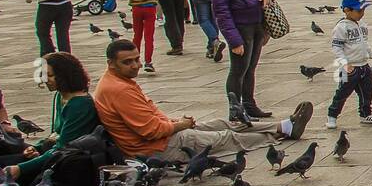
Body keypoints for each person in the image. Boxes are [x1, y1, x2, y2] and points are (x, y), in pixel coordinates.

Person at [94, 38, 313, 162]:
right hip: (158, 147)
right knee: (226, 137)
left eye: (137, 59)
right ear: (111, 63)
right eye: (128, 62)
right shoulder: (118, 90)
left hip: (164, 134)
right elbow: (151, 131)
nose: (135, 66)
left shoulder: (119, 81)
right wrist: (179, 125)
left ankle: (283, 126)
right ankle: (278, 134)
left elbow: (149, 116)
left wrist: (175, 122)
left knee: (224, 123)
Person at [0, 51, 99, 186]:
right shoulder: (61, 96)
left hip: (70, 161)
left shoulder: (80, 104)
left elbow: (63, 147)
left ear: (65, 75)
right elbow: (56, 135)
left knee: (7, 172)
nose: (45, 79)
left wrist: (21, 168)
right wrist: (37, 148)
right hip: (56, 153)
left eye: (50, 75)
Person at [208, 0, 275, 123]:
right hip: (241, 27)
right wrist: (233, 39)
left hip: (255, 24)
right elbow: (220, 9)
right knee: (238, 70)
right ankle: (235, 109)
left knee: (250, 68)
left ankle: (250, 105)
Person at [327, 0, 372, 128]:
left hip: (364, 65)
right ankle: (332, 115)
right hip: (350, 67)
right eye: (359, 11)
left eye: (363, 10)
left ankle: (365, 114)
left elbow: (365, 42)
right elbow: (337, 48)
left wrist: (371, 55)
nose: (362, 13)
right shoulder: (341, 27)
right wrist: (344, 63)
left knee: (367, 91)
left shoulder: (362, 24)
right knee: (342, 93)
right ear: (347, 10)